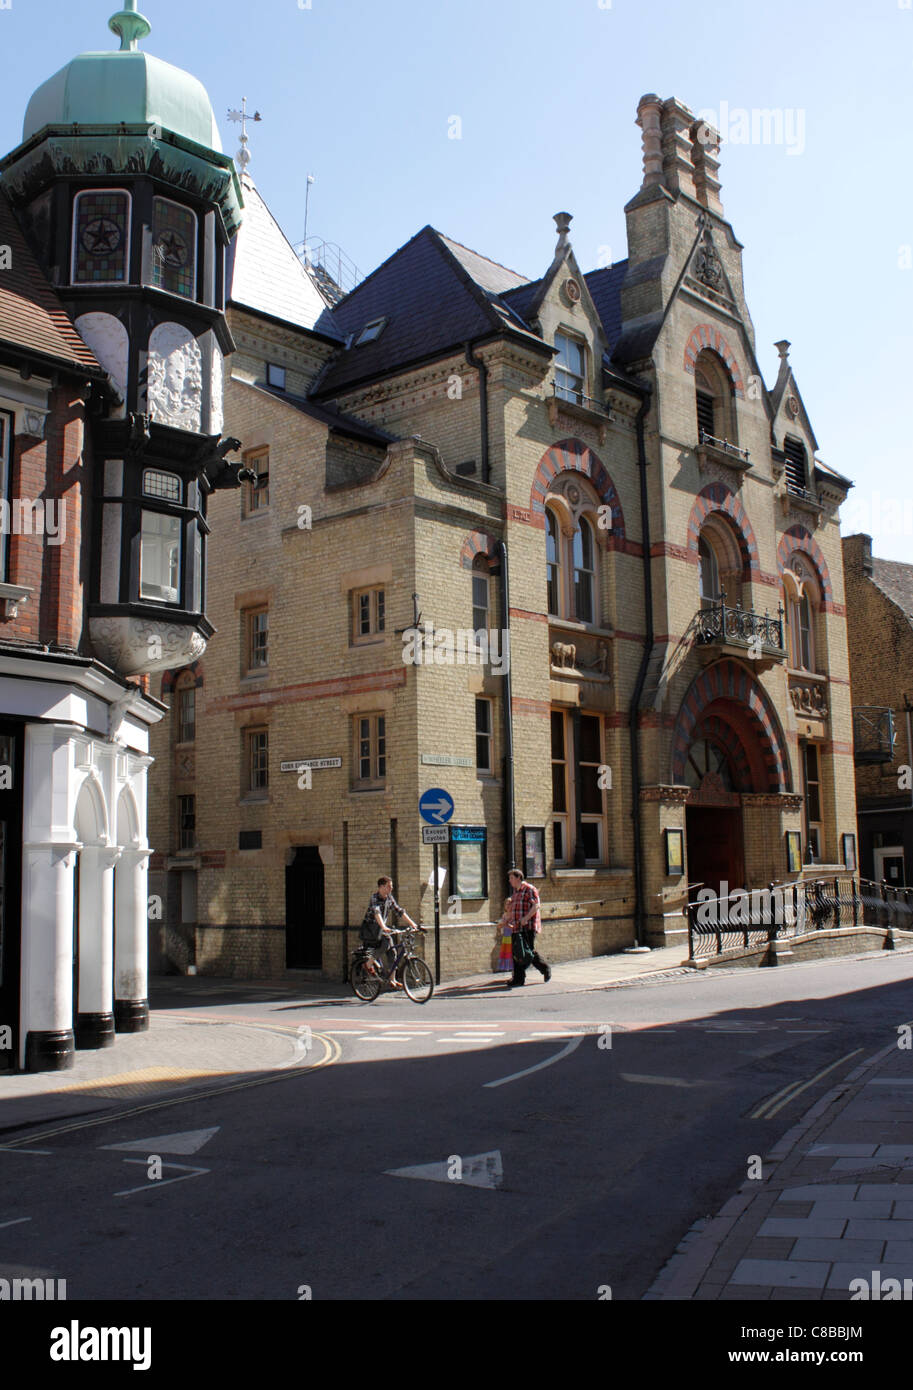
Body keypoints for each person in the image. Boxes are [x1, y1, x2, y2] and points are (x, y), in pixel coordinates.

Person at [360, 877, 420, 989]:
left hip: (382, 930)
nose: (391, 888)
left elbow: (399, 911)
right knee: (386, 944)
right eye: (389, 886)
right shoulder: (374, 898)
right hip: (372, 930)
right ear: (381, 887)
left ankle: (392, 979)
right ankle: (367, 965)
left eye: (391, 886)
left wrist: (413, 924)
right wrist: (383, 926)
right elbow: (376, 912)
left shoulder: (389, 898)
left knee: (393, 953)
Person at [506, 868, 551, 987]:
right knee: (517, 953)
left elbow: (536, 905)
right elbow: (514, 911)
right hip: (516, 927)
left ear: (518, 878)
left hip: (528, 927)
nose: (509, 881)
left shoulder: (529, 889)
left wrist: (526, 918)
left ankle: (545, 968)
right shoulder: (516, 893)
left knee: (527, 953)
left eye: (511, 878)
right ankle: (518, 979)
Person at [494, 897, 514, 974]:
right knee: (506, 952)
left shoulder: (513, 915)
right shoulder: (504, 915)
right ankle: (507, 967)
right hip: (506, 937)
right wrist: (499, 927)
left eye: (510, 904)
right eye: (506, 904)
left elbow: (515, 927)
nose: (508, 906)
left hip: (511, 936)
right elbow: (500, 927)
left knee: (511, 953)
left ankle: (513, 969)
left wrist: (507, 925)